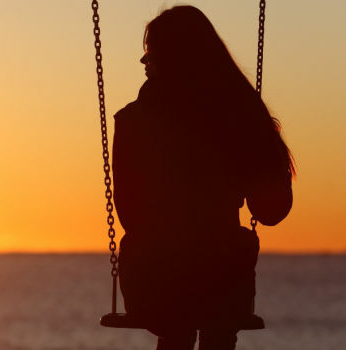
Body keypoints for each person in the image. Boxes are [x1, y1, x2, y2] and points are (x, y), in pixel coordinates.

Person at [112, 6, 294, 350]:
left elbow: (129, 215)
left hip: (154, 281)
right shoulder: (241, 117)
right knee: (217, 306)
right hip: (222, 281)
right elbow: (271, 212)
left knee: (177, 321)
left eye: (150, 52)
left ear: (168, 58)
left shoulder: (134, 121)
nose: (143, 61)